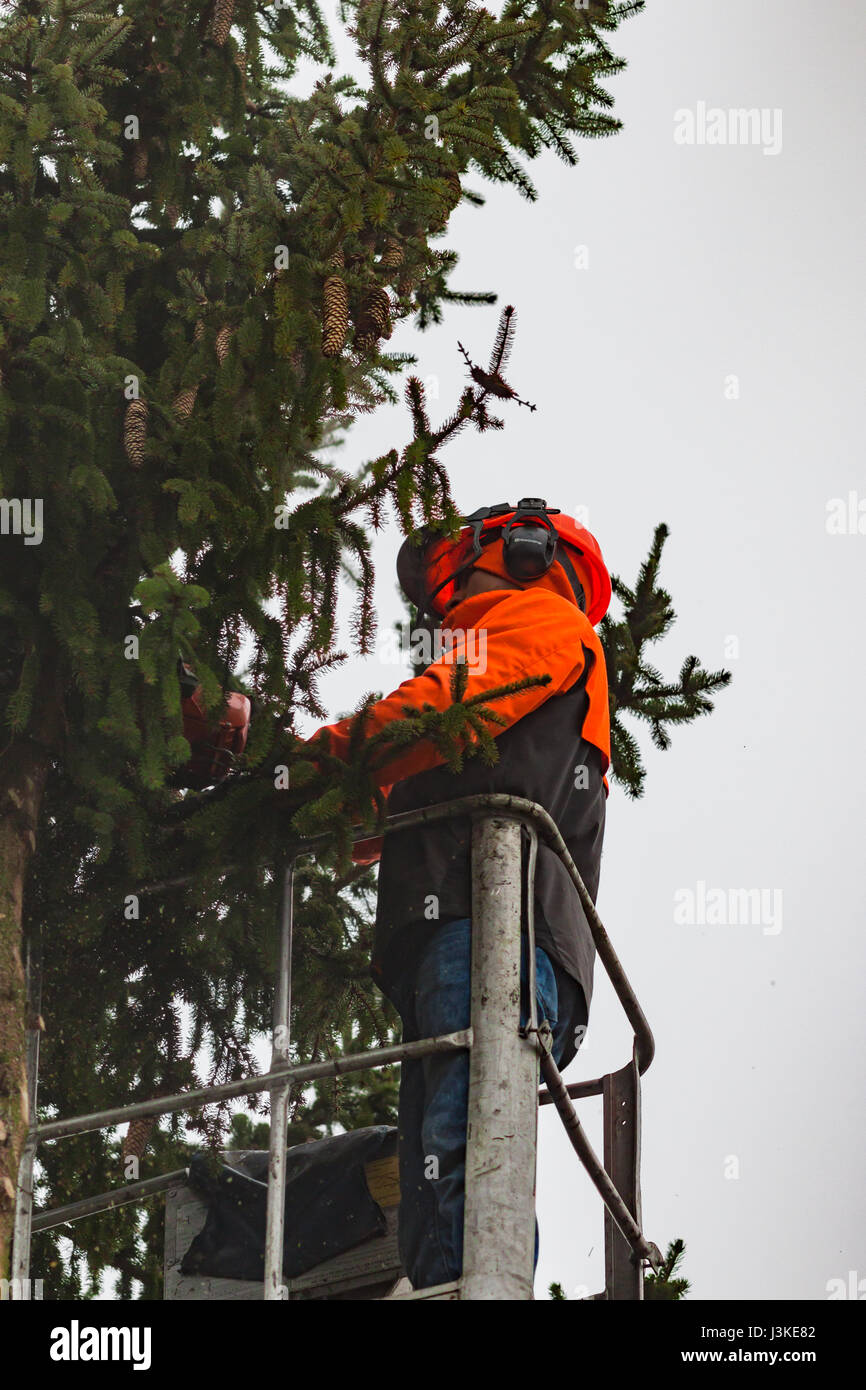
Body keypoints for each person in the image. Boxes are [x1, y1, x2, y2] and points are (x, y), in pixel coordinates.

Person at [307, 499, 611, 1290]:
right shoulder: (511, 655)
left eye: (458, 573)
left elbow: (438, 715)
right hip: (468, 932)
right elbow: (402, 788)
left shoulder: (541, 623)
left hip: (493, 928)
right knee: (436, 1165)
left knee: (466, 1146)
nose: (446, 601)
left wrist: (306, 765)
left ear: (527, 555)